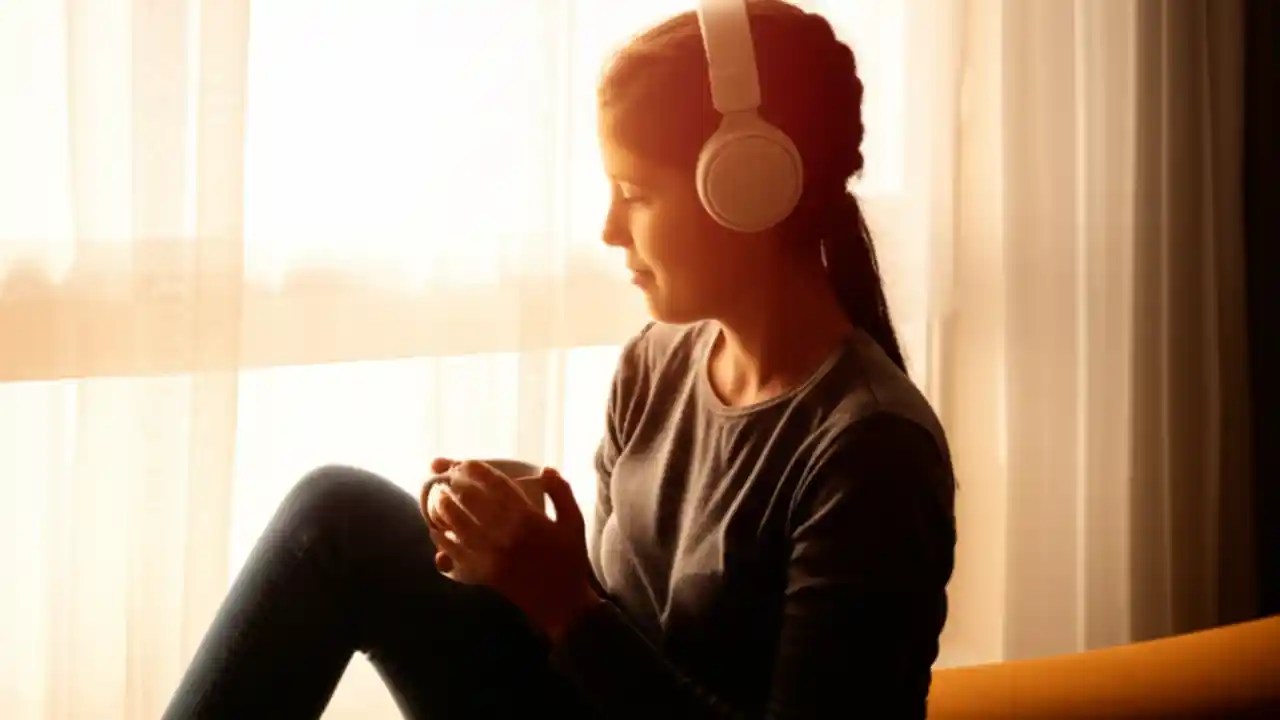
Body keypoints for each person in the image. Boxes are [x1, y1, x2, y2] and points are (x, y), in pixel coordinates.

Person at [162, 1, 956, 717]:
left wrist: (566, 604)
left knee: (335, 515)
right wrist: (518, 558)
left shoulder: (870, 450)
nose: (610, 229)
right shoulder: (657, 365)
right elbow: (622, 631)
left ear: (745, 190)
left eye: (637, 194)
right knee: (333, 517)